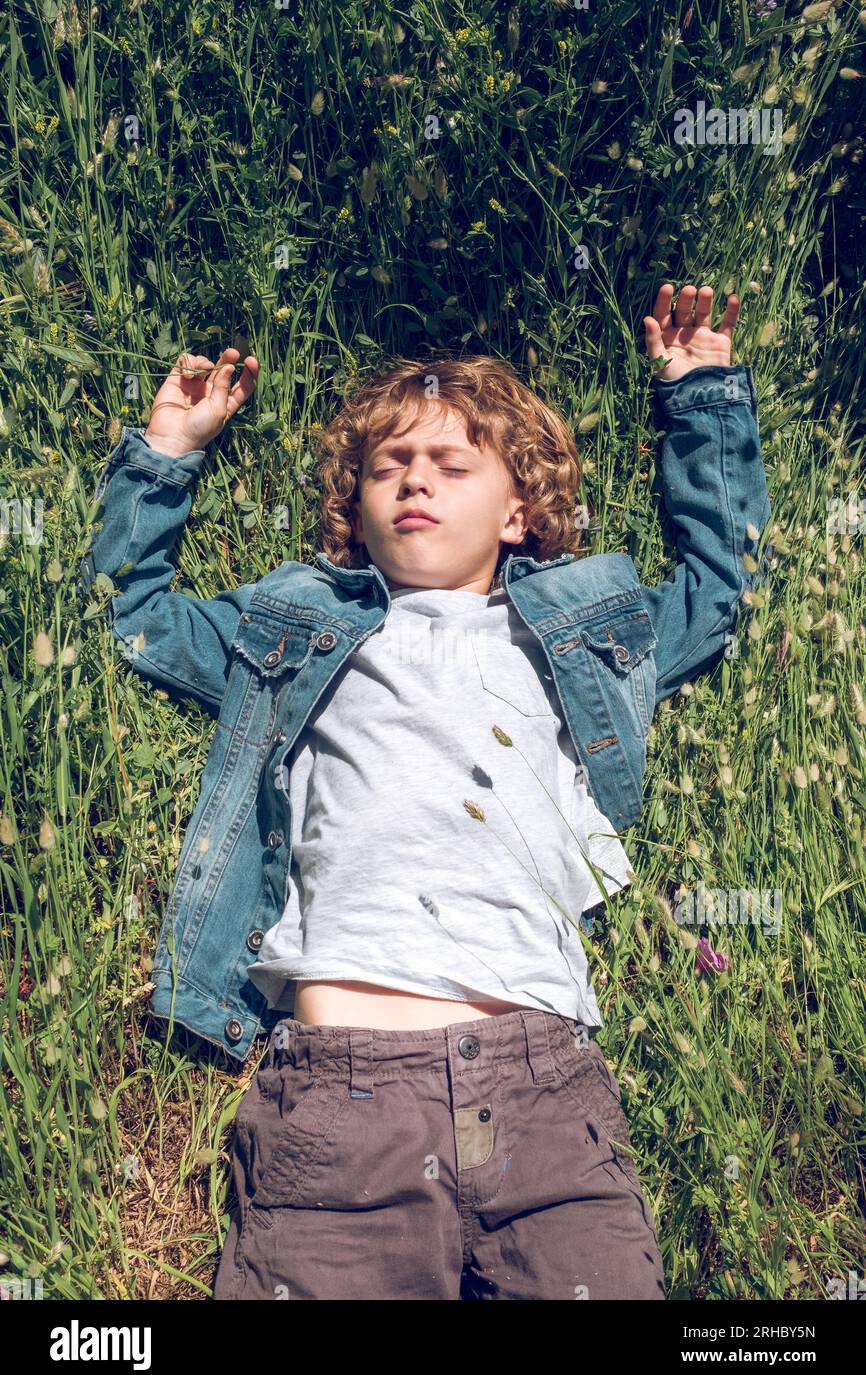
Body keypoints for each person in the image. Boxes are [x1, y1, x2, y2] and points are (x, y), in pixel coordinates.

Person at [82, 283, 772, 1299]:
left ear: (519, 509)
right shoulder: (293, 626)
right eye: (388, 466)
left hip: (541, 1089)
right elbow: (130, 614)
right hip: (337, 1097)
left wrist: (700, 393)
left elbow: (719, 592)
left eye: (451, 465)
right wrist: (167, 450)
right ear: (352, 511)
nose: (415, 481)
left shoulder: (582, 636)